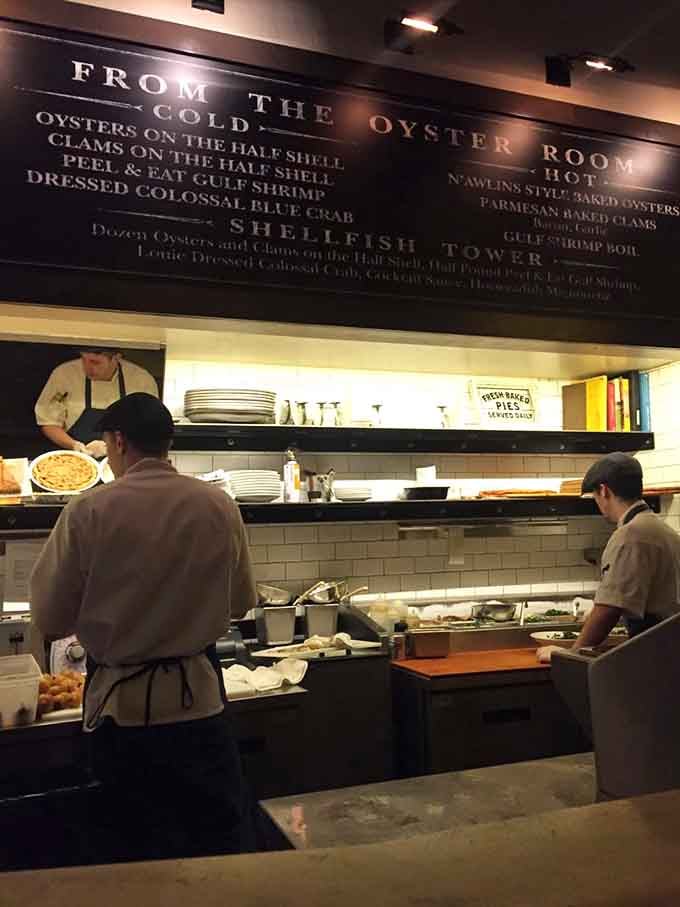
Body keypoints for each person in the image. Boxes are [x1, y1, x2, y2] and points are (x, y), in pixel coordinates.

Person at [30, 393, 258, 860]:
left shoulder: (88, 511)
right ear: (167, 443)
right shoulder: (218, 505)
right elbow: (241, 603)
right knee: (212, 847)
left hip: (123, 712)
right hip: (200, 706)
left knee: (134, 852)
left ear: (117, 441)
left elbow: (50, 618)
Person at [538, 452, 680, 663]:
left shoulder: (629, 535)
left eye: (595, 496)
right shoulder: (662, 529)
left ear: (604, 491)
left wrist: (570, 655)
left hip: (656, 660)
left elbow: (608, 610)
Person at [34, 347, 159, 458]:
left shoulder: (141, 380)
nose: (87, 368)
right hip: (75, 457)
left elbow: (148, 428)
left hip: (125, 457)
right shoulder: (64, 374)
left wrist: (113, 446)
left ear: (116, 358)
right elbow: (48, 422)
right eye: (83, 359)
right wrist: (75, 445)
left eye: (95, 362)